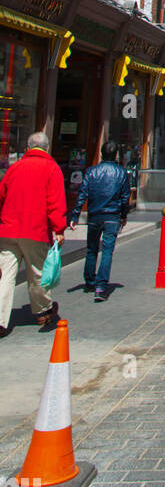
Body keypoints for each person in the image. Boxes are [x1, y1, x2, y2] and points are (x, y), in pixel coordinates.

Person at [0, 130, 66, 337]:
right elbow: (55, 202)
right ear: (47, 148)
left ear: (27, 148)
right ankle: (43, 311)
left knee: (6, 277)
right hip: (34, 230)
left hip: (8, 230)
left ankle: (1, 321)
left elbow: (2, 195)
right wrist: (59, 229)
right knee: (37, 273)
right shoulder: (51, 168)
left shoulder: (14, 168)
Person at [68, 140, 130, 300]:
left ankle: (89, 281)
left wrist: (75, 215)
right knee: (107, 250)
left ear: (102, 153)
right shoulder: (121, 172)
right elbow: (125, 197)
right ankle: (101, 286)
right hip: (112, 215)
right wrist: (124, 215)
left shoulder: (91, 172)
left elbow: (82, 194)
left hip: (95, 214)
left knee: (92, 249)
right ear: (115, 154)